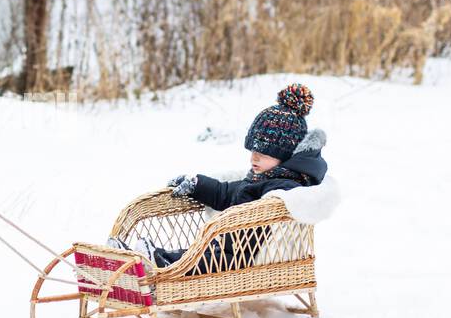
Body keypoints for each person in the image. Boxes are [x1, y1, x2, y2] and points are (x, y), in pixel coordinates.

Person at [118, 83, 327, 272]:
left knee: (193, 262)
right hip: (225, 248)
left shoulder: (284, 187)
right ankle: (140, 258)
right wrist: (197, 184)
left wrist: (224, 225)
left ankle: (153, 262)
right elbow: (225, 193)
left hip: (242, 260)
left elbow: (269, 209)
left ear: (285, 156)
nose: (254, 157)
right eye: (252, 151)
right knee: (192, 255)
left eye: (263, 153)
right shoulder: (260, 177)